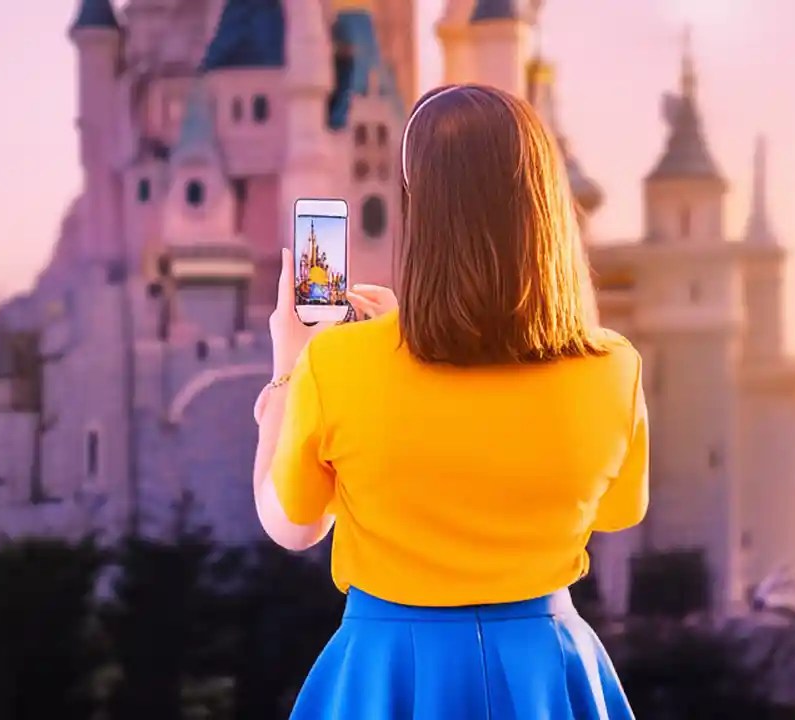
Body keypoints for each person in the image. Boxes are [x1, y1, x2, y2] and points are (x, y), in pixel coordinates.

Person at [252, 84, 648, 719]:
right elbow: (618, 513)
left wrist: (288, 375)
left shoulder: (339, 365)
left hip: (390, 674)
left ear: (420, 207)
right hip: (546, 671)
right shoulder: (612, 366)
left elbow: (293, 526)